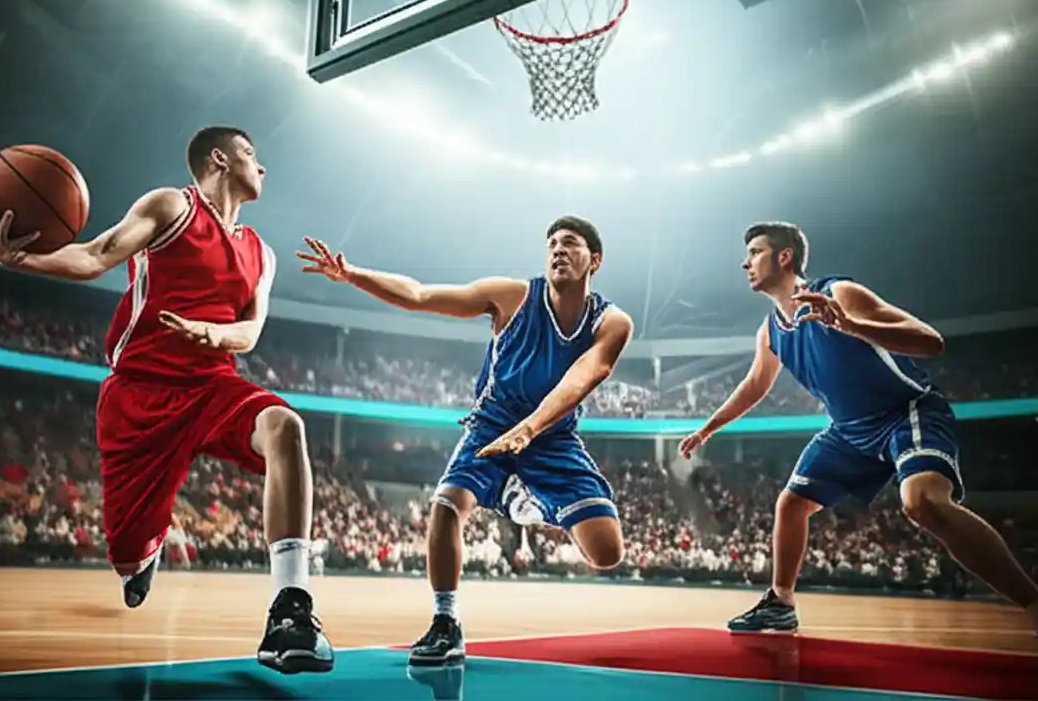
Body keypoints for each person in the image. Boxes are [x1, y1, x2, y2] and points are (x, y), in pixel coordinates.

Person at [0, 126, 333, 673]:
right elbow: (96, 255)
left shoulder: (263, 253)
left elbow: (250, 332)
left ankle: (291, 610)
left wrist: (213, 334)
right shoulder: (171, 207)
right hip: (140, 392)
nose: (262, 167)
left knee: (286, 427)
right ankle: (142, 555)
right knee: (126, 555)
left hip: (212, 385)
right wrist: (23, 261)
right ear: (219, 159)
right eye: (251, 154)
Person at [298, 217, 634, 665]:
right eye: (551, 242)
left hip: (552, 437)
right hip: (492, 425)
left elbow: (585, 374)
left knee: (606, 552)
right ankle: (445, 622)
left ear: (595, 260)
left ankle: (523, 500)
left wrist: (530, 429)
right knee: (446, 504)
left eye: (569, 243)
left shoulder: (612, 322)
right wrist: (352, 274)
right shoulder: (512, 296)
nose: (557, 249)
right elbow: (420, 295)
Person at [678, 221, 1038, 634]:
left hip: (904, 410)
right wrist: (708, 429)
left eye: (755, 252)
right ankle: (780, 603)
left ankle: (1031, 599)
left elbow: (930, 341)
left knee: (922, 503)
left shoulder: (840, 292)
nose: (746, 263)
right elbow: (755, 385)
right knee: (791, 504)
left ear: (785, 257)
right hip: (848, 430)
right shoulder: (770, 331)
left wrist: (850, 325)